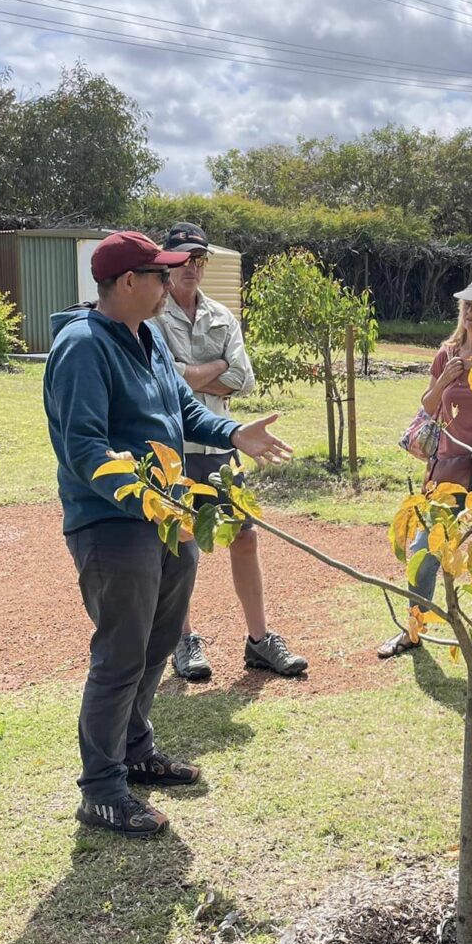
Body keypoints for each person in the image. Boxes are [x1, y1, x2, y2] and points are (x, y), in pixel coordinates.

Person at [44, 231, 293, 838]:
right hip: (114, 525)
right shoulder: (81, 347)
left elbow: (184, 411)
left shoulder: (148, 337)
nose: (170, 285)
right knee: (119, 654)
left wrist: (234, 433)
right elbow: (82, 448)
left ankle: (136, 751)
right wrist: (144, 495)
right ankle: (101, 789)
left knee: (156, 645)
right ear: (128, 282)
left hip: (168, 517)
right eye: (159, 276)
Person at [153, 221, 307, 681]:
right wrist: (216, 367)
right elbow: (167, 382)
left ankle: (260, 641)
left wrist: (196, 371)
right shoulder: (150, 316)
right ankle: (182, 642)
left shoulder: (223, 316)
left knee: (245, 536)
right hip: (170, 449)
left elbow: (244, 378)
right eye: (182, 259)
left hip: (220, 444)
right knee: (179, 543)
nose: (191, 267)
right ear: (166, 262)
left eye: (198, 259)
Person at [377, 279, 472, 658]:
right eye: (466, 305)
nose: (470, 312)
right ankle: (413, 630)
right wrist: (445, 380)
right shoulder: (447, 353)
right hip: (449, 465)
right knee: (426, 547)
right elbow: (427, 403)